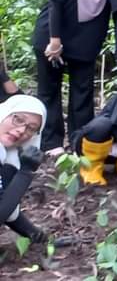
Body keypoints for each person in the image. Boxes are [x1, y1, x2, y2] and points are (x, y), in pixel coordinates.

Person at [33, 0, 115, 155]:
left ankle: (80, 141)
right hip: (53, 34)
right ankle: (51, 143)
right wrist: (55, 40)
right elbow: (56, 3)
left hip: (85, 38)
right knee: (49, 89)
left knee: (83, 91)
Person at [0, 95, 74, 247]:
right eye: (18, 119)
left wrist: (44, 240)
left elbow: (7, 207)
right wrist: (25, 172)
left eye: (31, 128)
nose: (21, 130)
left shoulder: (9, 156)